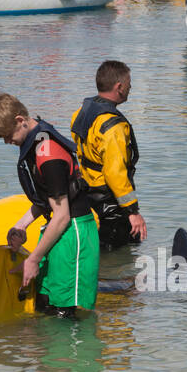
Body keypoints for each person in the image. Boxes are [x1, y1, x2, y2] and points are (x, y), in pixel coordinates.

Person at [0, 92, 98, 316]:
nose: (7, 142)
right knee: (44, 306)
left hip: (72, 233)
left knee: (62, 313)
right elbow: (48, 199)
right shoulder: (35, 143)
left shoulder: (48, 154)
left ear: (20, 120)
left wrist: (34, 259)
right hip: (58, 228)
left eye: (7, 135)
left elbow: (63, 214)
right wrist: (22, 225)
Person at [71, 59, 146, 250]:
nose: (131, 87)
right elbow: (115, 172)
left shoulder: (81, 112)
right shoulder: (114, 127)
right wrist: (132, 211)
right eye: (129, 83)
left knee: (98, 251)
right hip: (110, 203)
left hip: (87, 194)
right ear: (119, 87)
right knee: (119, 257)